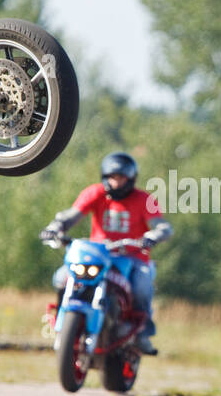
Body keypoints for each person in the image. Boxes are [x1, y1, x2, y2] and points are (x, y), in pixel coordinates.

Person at [40, 152, 172, 354]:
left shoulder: (145, 199)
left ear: (131, 178)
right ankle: (62, 319)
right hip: (99, 254)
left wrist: (153, 236)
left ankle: (141, 334)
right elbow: (71, 215)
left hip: (133, 256)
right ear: (104, 177)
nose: (116, 182)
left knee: (141, 287)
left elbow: (162, 226)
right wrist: (56, 226)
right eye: (112, 177)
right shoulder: (95, 193)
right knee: (62, 278)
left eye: (121, 178)